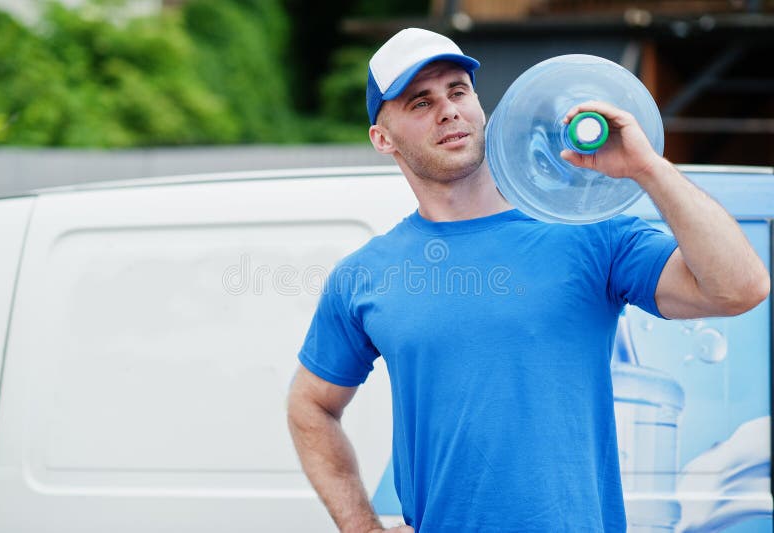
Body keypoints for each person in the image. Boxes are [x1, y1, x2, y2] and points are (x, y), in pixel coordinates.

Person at [286, 28, 770, 533]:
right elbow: (310, 405)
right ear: (382, 139)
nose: (448, 110)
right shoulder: (365, 276)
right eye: (420, 102)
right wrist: (361, 526)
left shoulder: (588, 234)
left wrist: (648, 168)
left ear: (479, 105)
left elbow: (740, 287)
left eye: (457, 91)